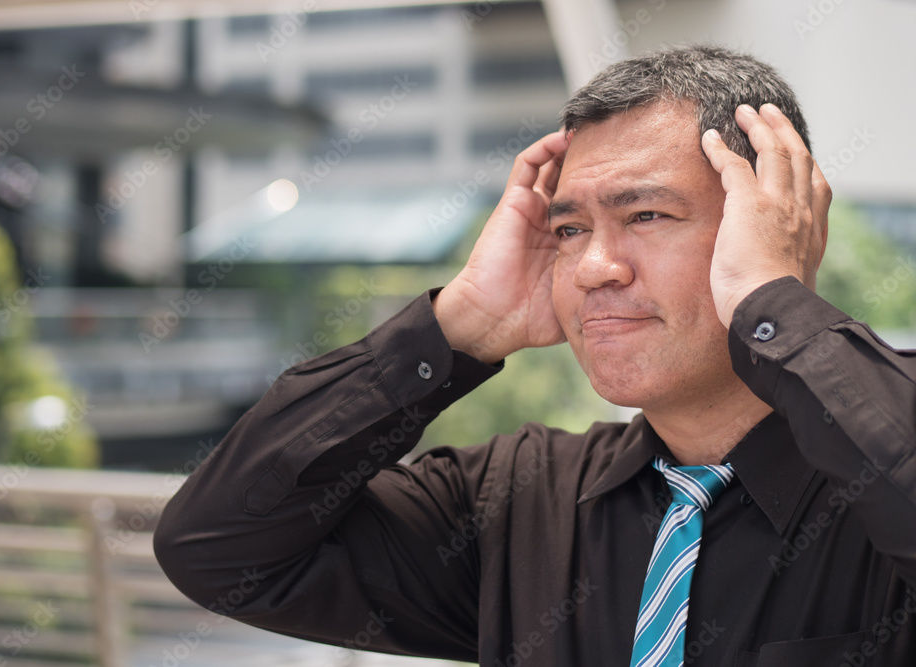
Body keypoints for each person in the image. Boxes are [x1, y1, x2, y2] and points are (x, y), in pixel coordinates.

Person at [154, 45, 916, 666]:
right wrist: (458, 327)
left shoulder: (880, 476)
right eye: (570, 229)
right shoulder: (515, 499)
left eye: (646, 213)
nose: (593, 268)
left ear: (775, 220)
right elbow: (217, 547)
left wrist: (777, 303)